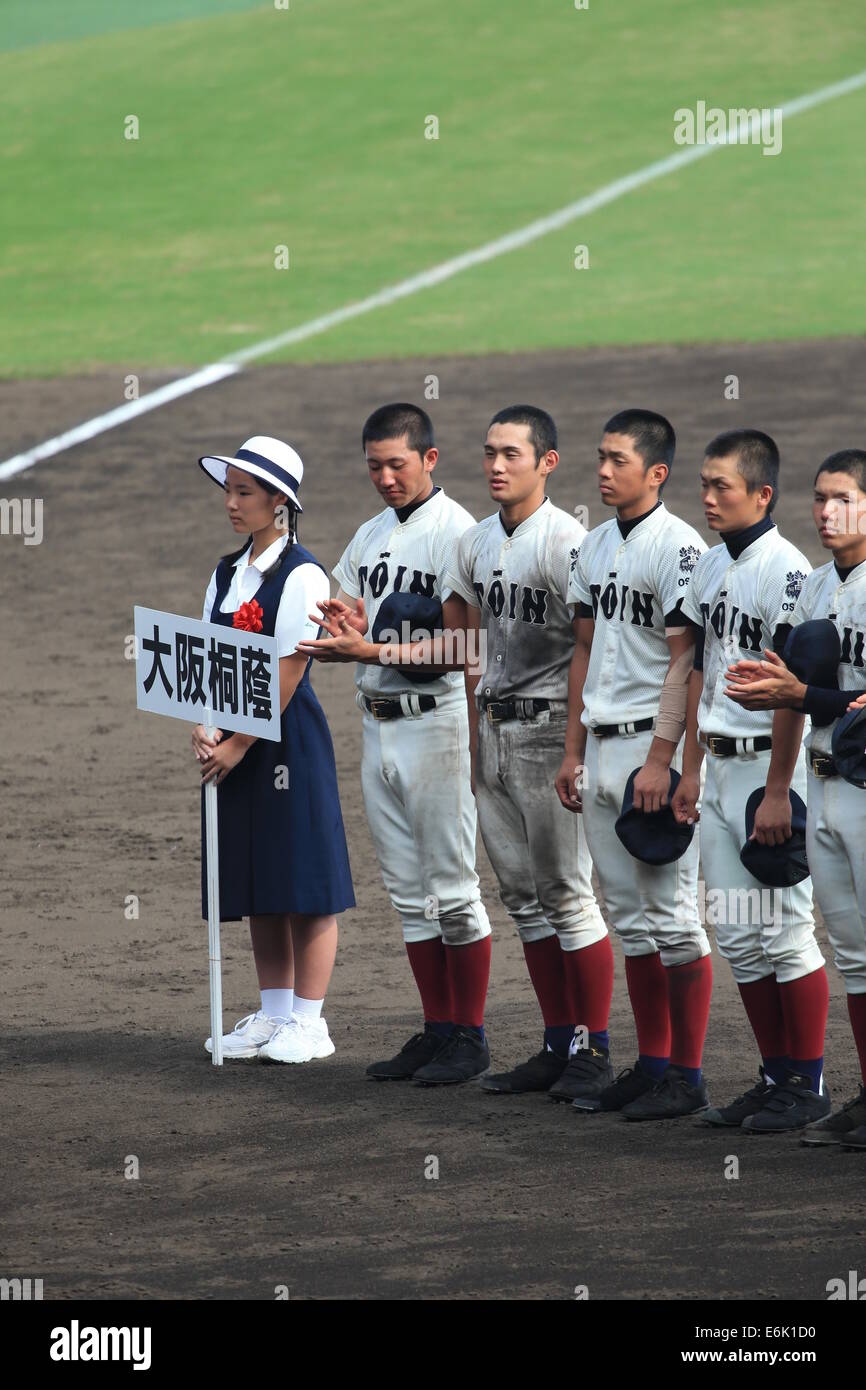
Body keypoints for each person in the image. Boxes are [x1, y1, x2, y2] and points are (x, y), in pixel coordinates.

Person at [297, 404, 493, 1086]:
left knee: (453, 890)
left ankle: (469, 1035)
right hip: (377, 722)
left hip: (436, 724)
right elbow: (345, 605)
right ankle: (437, 1029)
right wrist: (336, 625)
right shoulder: (370, 534)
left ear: (430, 459)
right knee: (411, 894)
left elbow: (465, 645)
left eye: (397, 464)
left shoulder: (457, 533)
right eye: (374, 466)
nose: (385, 477)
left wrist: (368, 645)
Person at [443, 404, 614, 1103]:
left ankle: (594, 1047)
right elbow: (463, 637)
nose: (495, 465)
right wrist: (475, 713)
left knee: (569, 896)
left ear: (547, 463)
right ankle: (556, 1041)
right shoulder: (476, 542)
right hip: (492, 731)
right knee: (523, 899)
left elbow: (591, 648)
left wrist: (574, 746)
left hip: (549, 734)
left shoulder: (566, 542)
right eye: (489, 452)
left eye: (511, 453)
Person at [558, 409, 714, 1120]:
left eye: (618, 460)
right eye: (600, 457)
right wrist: (572, 749)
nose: (603, 470)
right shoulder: (591, 547)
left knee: (675, 919)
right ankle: (652, 1064)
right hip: (599, 747)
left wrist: (666, 762)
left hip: (648, 753)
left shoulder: (679, 548)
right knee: (630, 918)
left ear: (656, 473)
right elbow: (583, 652)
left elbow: (687, 661)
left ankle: (688, 1073)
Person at [671, 430, 829, 1132]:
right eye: (703, 485)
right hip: (718, 768)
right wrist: (690, 770)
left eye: (721, 488)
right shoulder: (708, 568)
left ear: (762, 494)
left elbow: (793, 693)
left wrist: (775, 790)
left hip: (769, 767)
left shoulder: (787, 572)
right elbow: (702, 670)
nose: (706, 498)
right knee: (738, 932)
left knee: (787, 932)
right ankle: (775, 1077)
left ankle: (809, 1082)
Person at [194, 435, 354, 1064]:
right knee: (262, 878)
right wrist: (203, 725)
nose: (232, 503)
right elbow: (204, 657)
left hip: (285, 742)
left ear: (278, 502)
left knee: (304, 881)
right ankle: (276, 1012)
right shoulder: (226, 573)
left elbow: (288, 672)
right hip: (234, 740)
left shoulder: (304, 573)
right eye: (229, 491)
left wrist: (234, 744)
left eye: (245, 493)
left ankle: (311, 1022)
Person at [726, 449, 866, 1148]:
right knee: (853, 953)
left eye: (842, 499)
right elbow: (789, 697)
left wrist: (802, 695)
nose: (825, 512)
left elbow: (824, 697)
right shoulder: (813, 590)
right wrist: (777, 787)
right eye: (819, 499)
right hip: (823, 783)